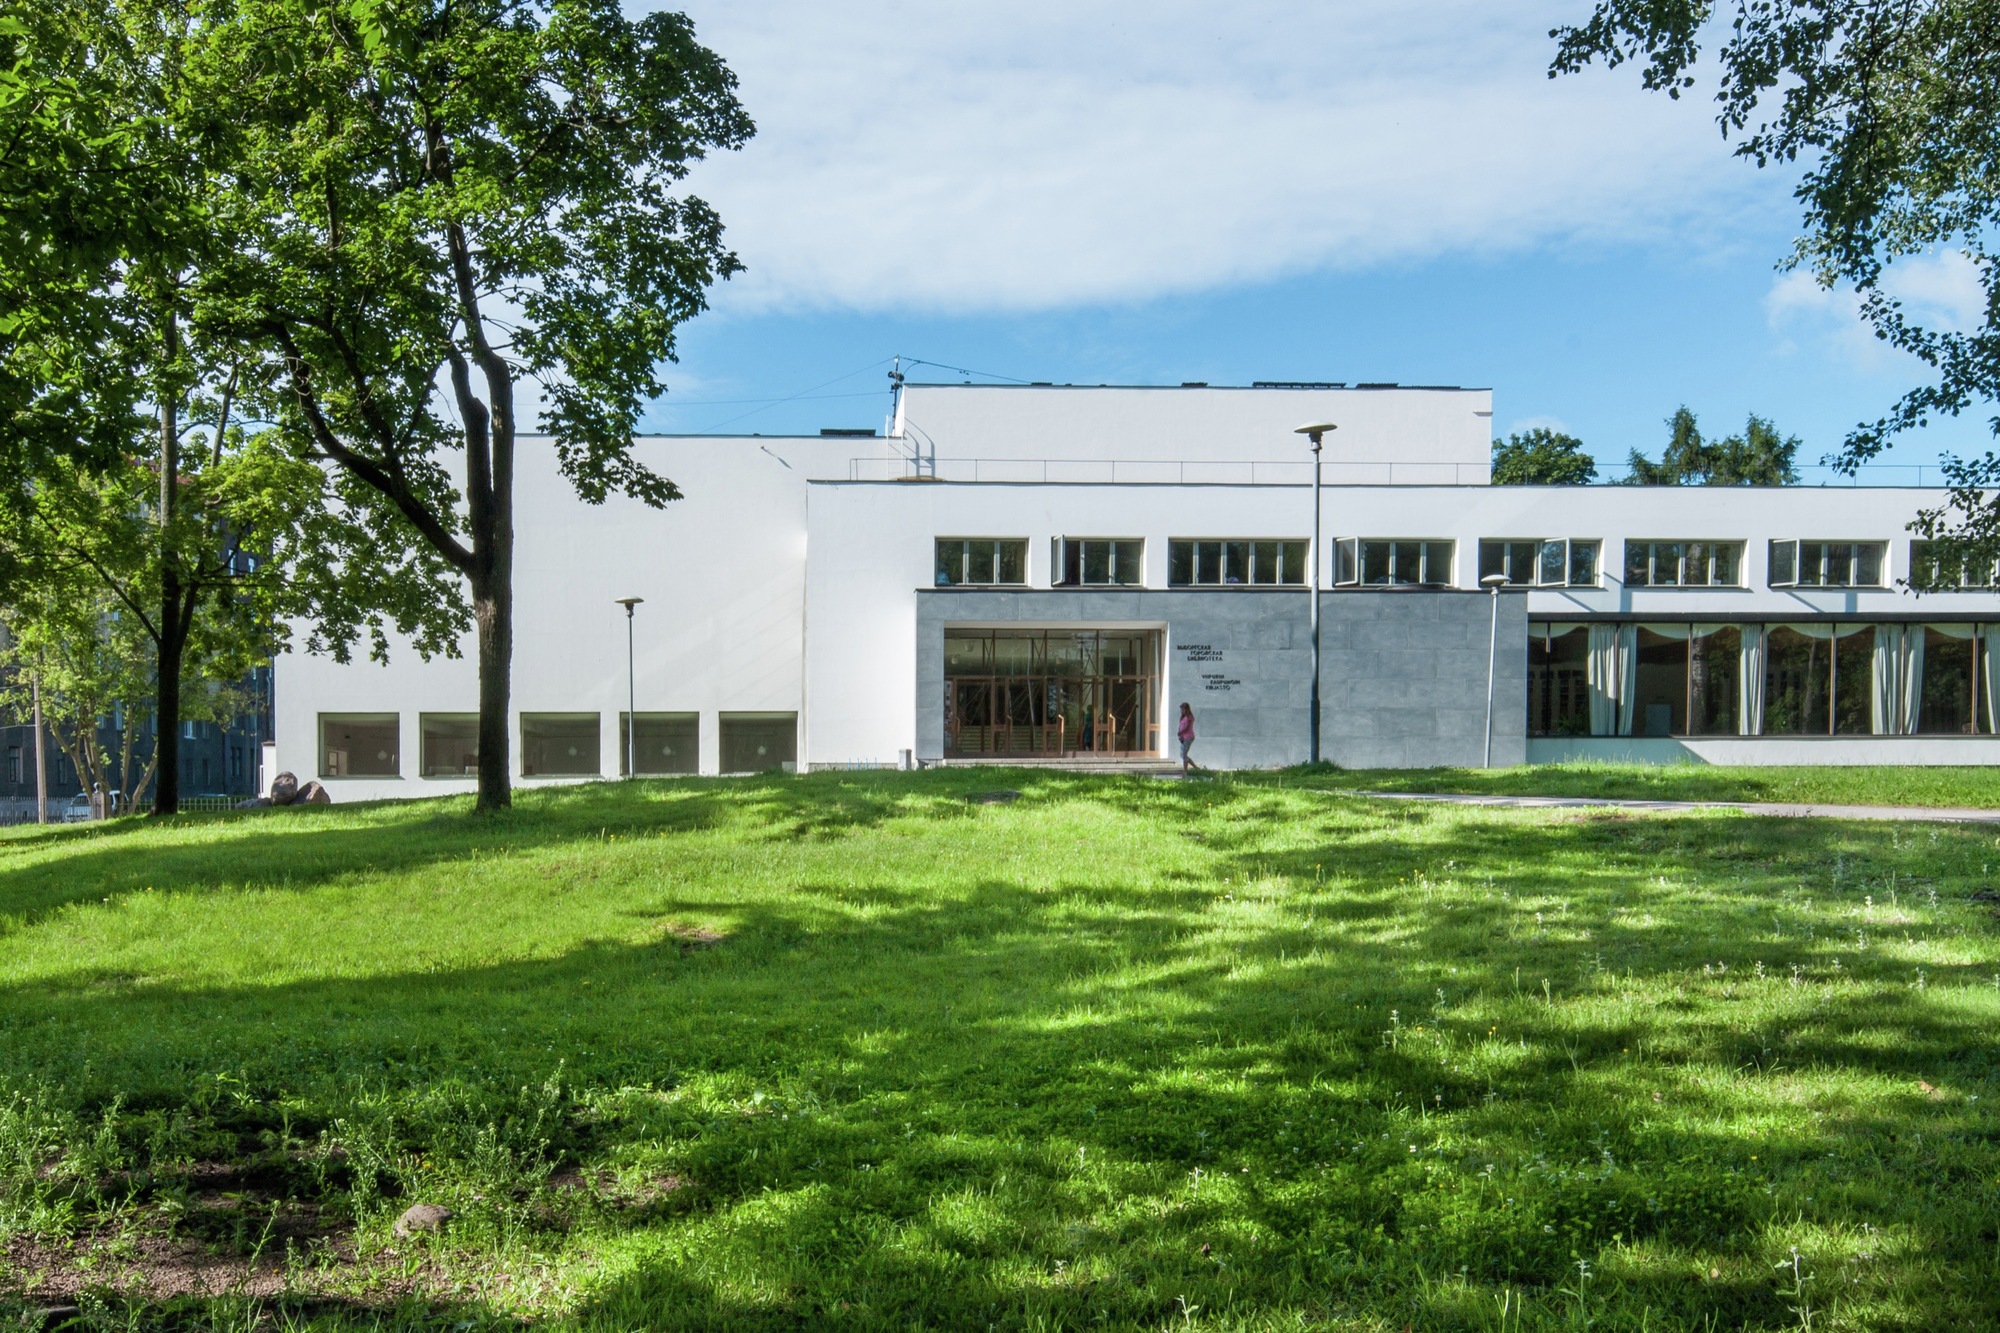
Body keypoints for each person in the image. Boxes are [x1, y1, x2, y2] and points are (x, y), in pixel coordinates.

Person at [1177, 702, 1196, 775]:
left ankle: (1195, 767)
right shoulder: (1182, 717)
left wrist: (1181, 732)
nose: (1181, 711)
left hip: (1189, 737)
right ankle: (1185, 772)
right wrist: (1180, 734)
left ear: (1186, 709)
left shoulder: (1189, 717)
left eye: (1182, 709)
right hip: (1183, 738)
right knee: (1184, 754)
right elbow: (1180, 726)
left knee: (1183, 755)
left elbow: (1187, 727)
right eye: (1181, 709)